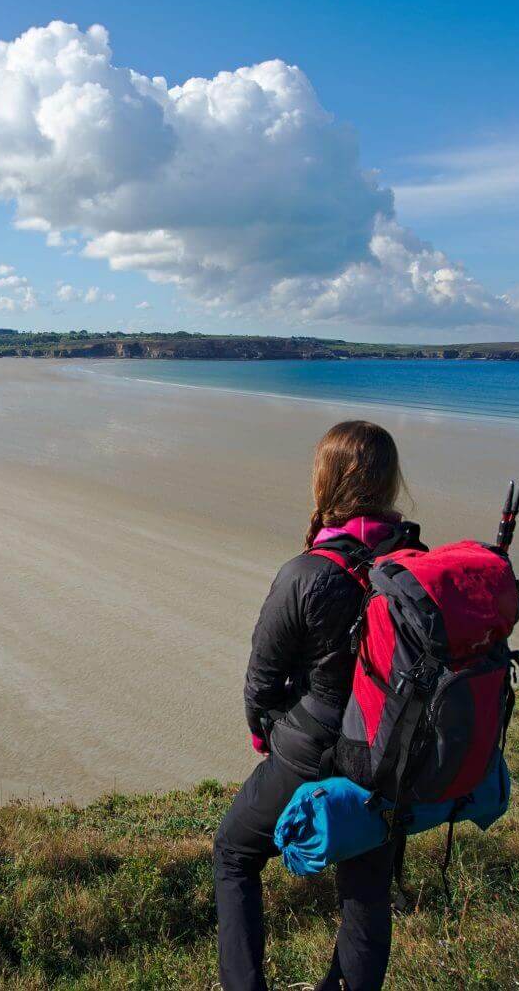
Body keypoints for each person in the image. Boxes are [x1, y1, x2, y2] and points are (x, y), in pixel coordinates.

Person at [213, 420, 423, 991]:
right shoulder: (413, 564)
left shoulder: (306, 573)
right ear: (387, 483)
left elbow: (262, 682)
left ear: (326, 481)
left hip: (314, 753)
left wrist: (267, 739)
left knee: (233, 853)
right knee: (365, 893)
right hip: (386, 756)